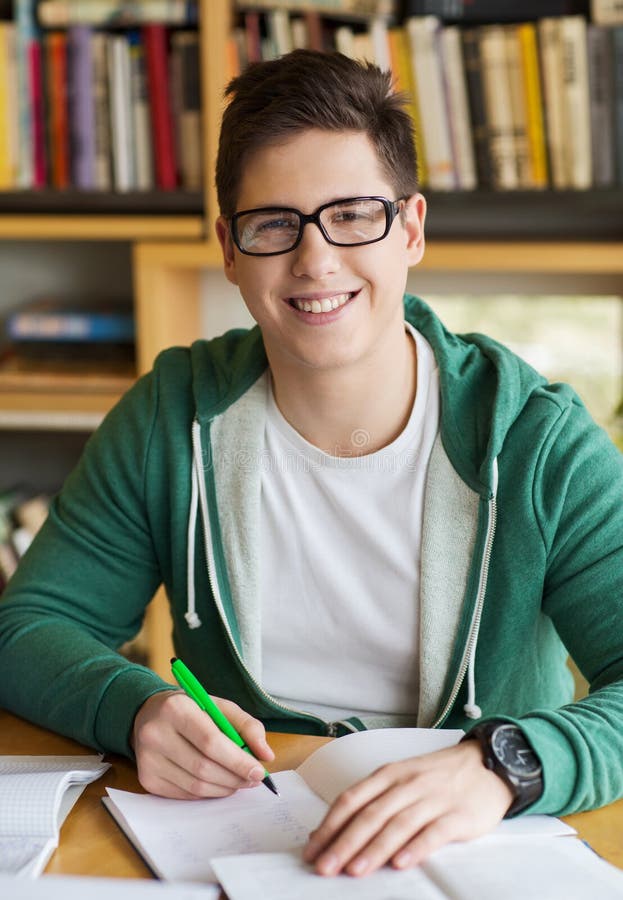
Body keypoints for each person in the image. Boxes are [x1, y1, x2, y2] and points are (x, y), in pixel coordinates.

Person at [1, 48, 623, 879]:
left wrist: (504, 765)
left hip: (475, 858)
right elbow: (26, 630)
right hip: (241, 853)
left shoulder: (536, 438)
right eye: (274, 224)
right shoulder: (171, 415)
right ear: (229, 247)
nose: (315, 260)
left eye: (355, 214)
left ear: (410, 227)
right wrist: (136, 707)